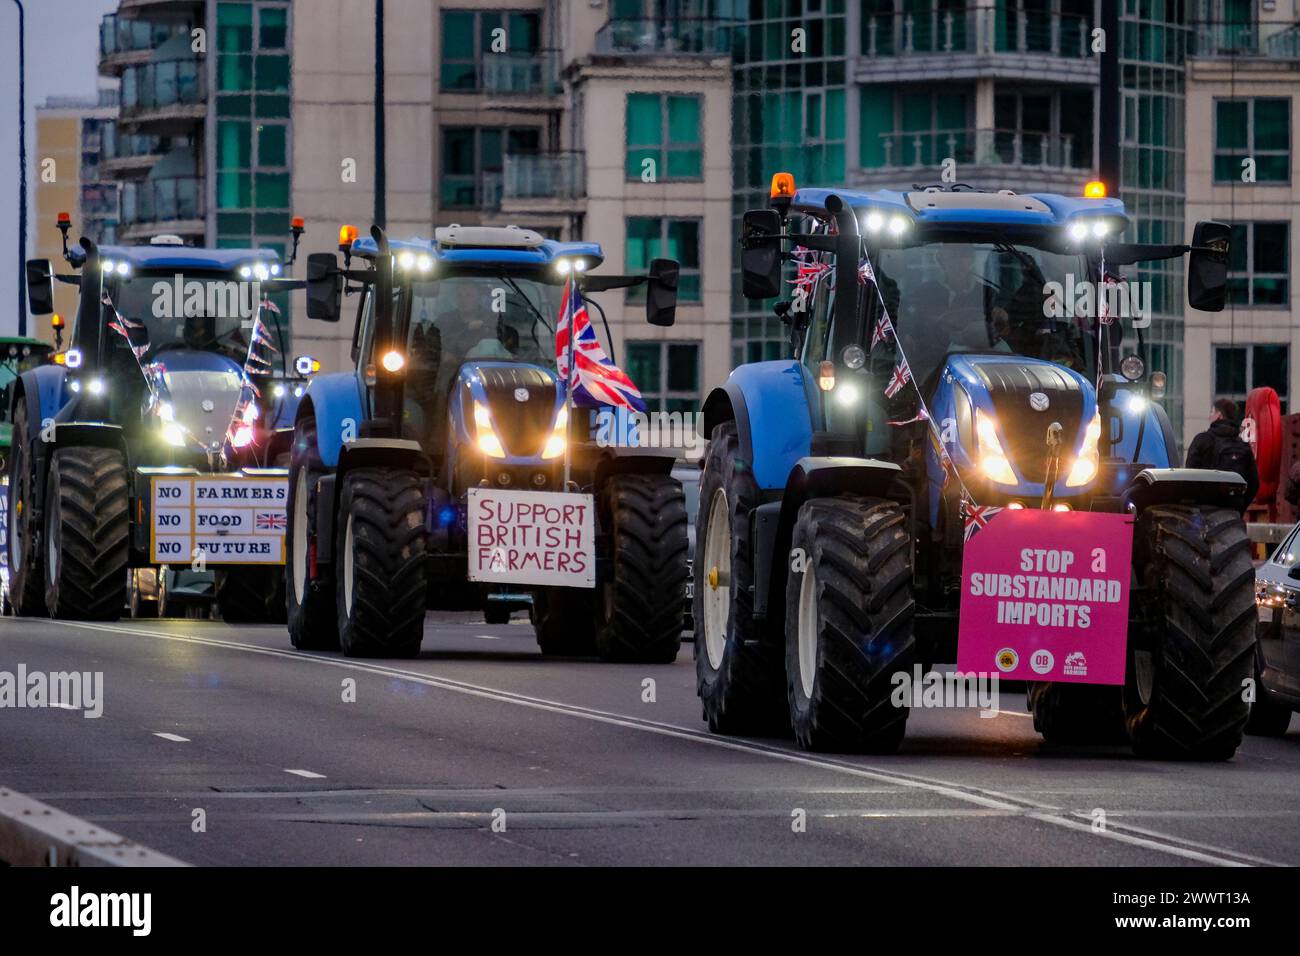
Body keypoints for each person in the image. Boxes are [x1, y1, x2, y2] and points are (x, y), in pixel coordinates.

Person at [1185, 398, 1260, 509]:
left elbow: (1190, 475)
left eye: (1212, 412)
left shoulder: (1202, 440)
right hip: (1234, 509)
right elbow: (1254, 483)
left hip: (1206, 508)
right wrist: (1240, 507)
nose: (1209, 416)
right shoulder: (1243, 444)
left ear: (1219, 415)